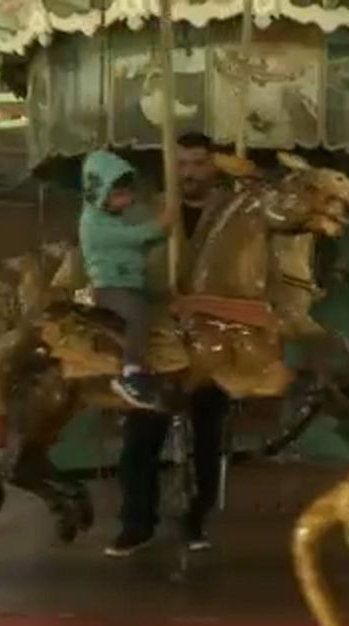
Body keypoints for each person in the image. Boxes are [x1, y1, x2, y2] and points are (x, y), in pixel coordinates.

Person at [105, 135, 231, 557]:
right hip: (162, 331)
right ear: (169, 168)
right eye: (182, 164)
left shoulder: (230, 214)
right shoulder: (152, 212)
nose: (191, 172)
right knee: (142, 432)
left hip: (210, 335)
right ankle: (137, 522)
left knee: (207, 434)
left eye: (199, 163)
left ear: (213, 167)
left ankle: (196, 518)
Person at [79, 149, 170, 410]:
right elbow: (132, 239)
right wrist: (160, 226)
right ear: (99, 194)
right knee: (137, 312)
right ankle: (131, 373)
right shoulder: (92, 222)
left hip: (132, 283)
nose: (128, 200)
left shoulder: (114, 218)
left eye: (128, 192)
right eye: (119, 194)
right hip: (110, 286)